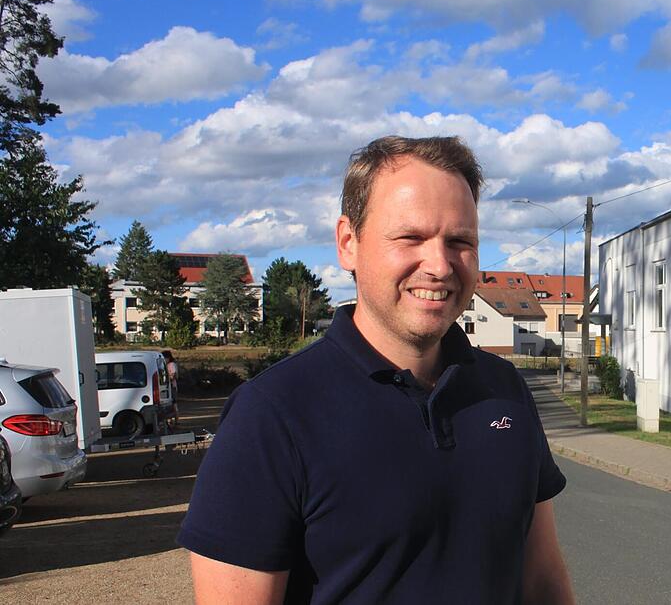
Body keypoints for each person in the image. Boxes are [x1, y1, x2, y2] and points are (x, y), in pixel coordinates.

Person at [177, 136, 574, 604]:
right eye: (411, 237)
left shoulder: (504, 390)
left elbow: (543, 578)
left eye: (460, 241)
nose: (439, 265)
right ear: (348, 242)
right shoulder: (271, 416)